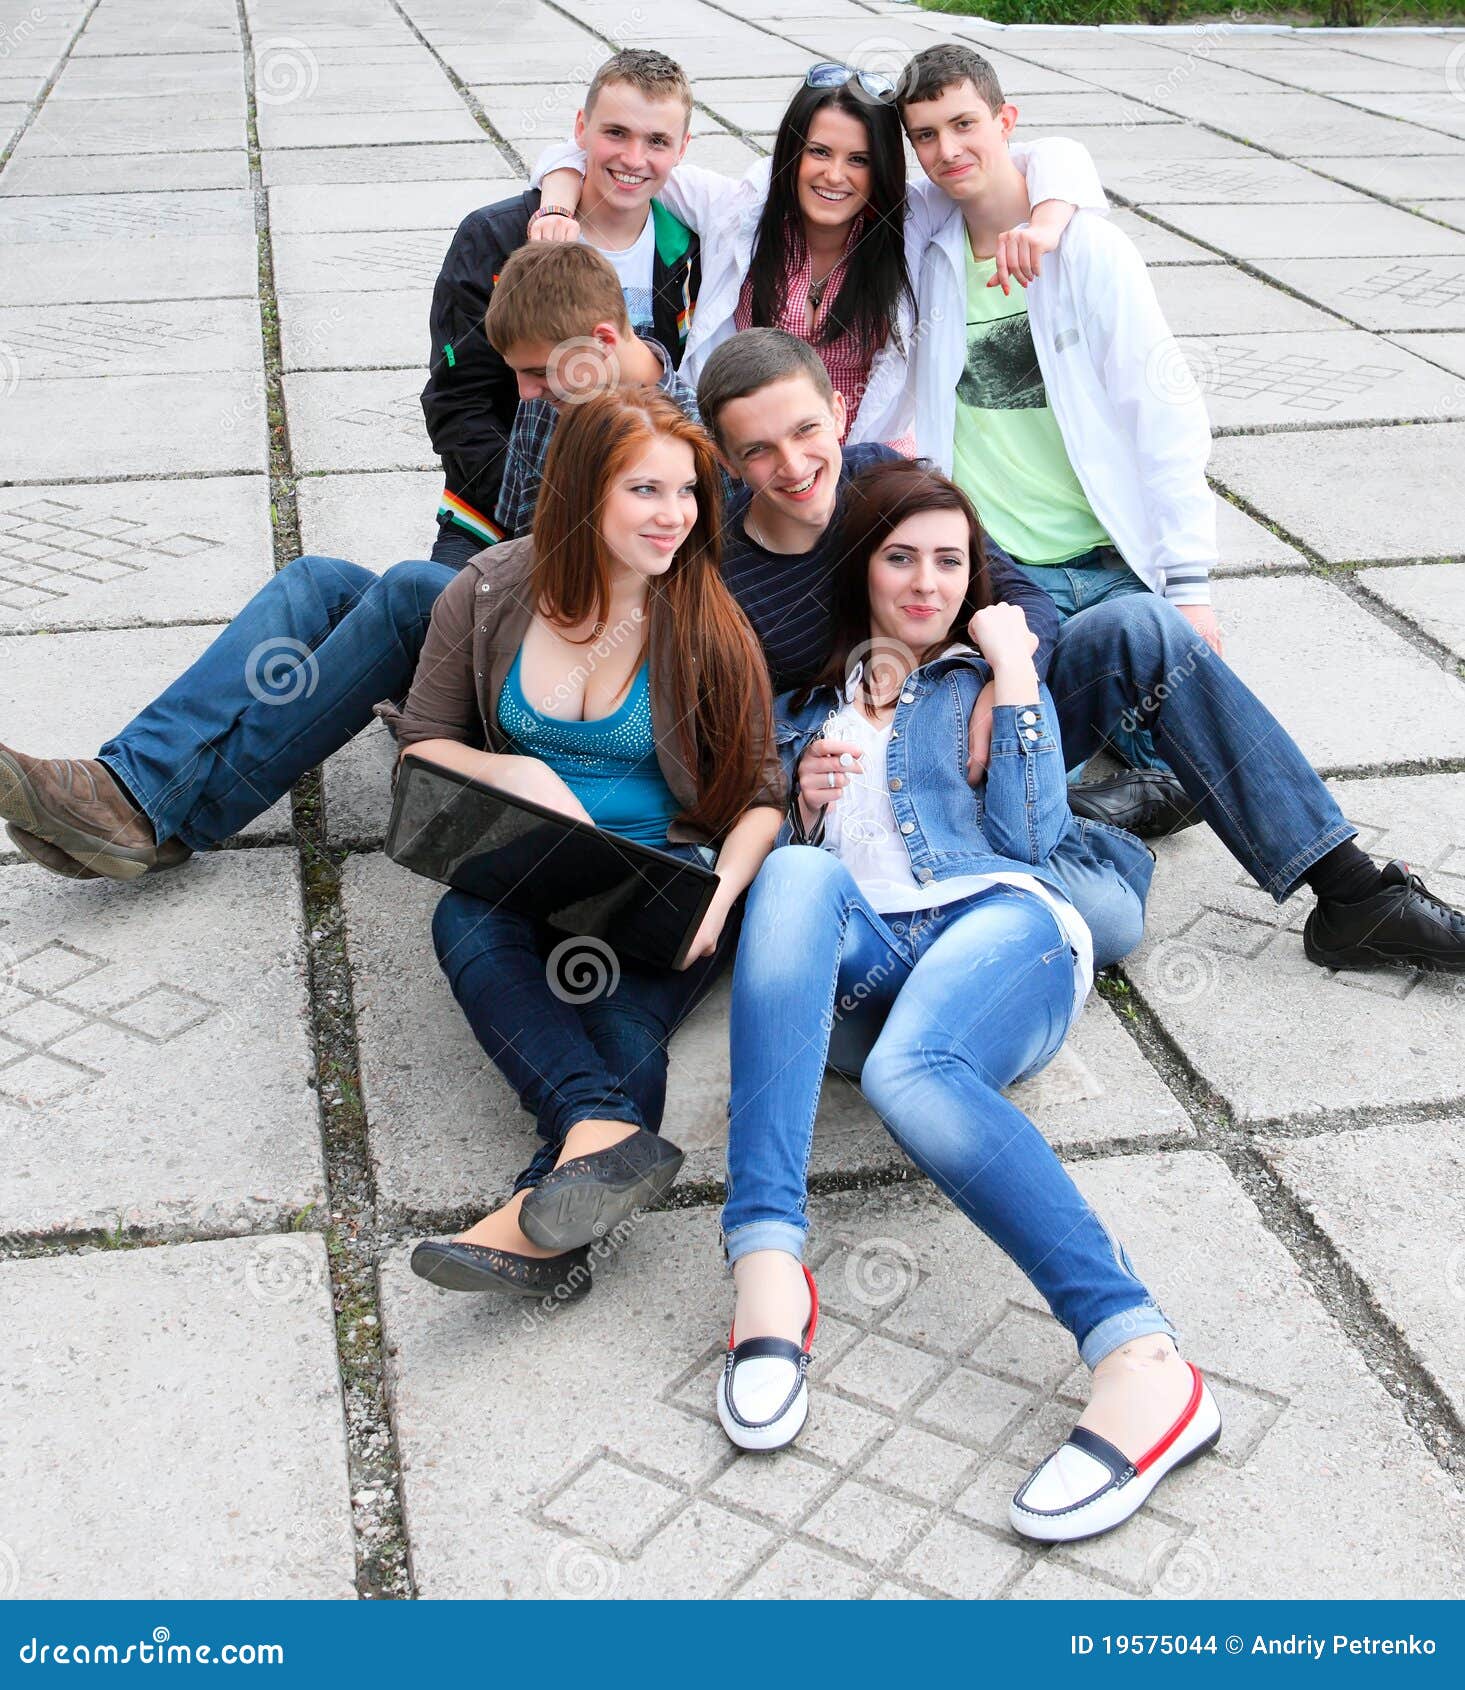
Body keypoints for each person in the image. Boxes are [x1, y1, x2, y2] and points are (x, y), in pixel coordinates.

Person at [714, 459, 1219, 1545]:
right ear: (862, 569)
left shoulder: (977, 684)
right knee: (793, 874)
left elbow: (1032, 839)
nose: (926, 580)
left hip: (998, 930)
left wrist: (1015, 666)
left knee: (912, 1071)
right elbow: (793, 912)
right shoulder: (801, 707)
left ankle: (1142, 1359)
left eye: (950, 560)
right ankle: (767, 1267)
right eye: (900, 557)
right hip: (866, 971)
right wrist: (803, 810)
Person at [898, 42, 1465, 972]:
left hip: (1113, 564)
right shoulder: (922, 247)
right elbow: (800, 186)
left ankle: (1349, 897)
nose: (946, 150)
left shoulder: (1089, 250)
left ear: (1006, 123)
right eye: (925, 135)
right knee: (1087, 757)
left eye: (965, 124)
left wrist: (1187, 584)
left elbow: (1163, 418)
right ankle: (1184, 809)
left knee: (1174, 685)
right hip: (1012, 586)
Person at [0, 245, 693, 882]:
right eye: (520, 375)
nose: (526, 395)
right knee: (320, 581)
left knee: (410, 591)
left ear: (602, 343)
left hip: (586, 676)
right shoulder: (562, 392)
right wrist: (459, 625)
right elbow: (505, 540)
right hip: (516, 627)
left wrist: (464, 610)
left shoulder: (680, 436)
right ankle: (131, 785)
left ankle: (154, 814)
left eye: (536, 376)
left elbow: (674, 598)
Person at [401, 390, 785, 1298]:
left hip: (664, 874)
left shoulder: (709, 621)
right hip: (533, 859)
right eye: (645, 491)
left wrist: (719, 900)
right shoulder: (489, 589)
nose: (674, 516)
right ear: (580, 491)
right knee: (463, 917)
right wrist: (516, 773)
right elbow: (421, 742)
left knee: (619, 1025)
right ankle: (595, 1136)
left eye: (685, 492)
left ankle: (539, 1211)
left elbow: (764, 798)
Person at [528, 62, 1108, 450]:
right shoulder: (742, 210)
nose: (835, 175)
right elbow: (611, 157)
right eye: (819, 152)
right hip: (745, 459)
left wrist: (1048, 222)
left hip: (862, 464)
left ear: (881, 168)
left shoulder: (910, 218)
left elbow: (1047, 155)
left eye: (858, 160)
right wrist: (555, 205)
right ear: (792, 153)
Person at [421, 47, 702, 562]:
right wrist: (555, 519)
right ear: (581, 130)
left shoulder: (690, 251)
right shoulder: (498, 238)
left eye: (657, 141)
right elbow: (458, 400)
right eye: (615, 133)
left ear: (682, 148)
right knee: (435, 603)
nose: (633, 159)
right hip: (500, 516)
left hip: (644, 523)